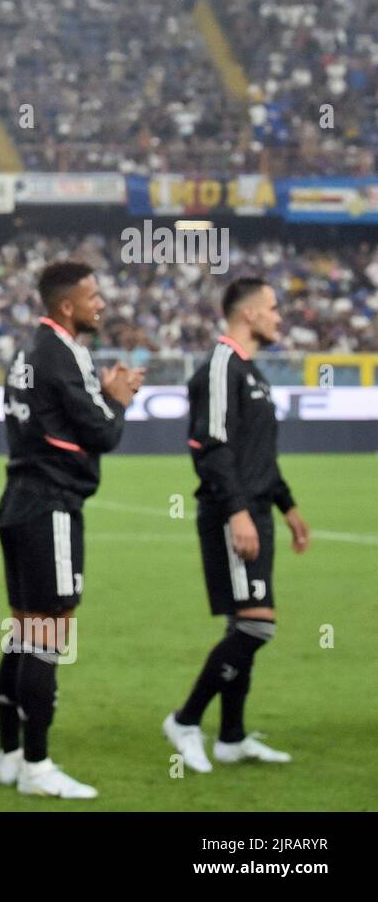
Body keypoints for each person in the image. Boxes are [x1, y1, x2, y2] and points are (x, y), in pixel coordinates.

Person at [0, 260, 143, 799]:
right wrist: (119, 398)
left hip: (19, 500)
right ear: (66, 305)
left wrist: (102, 397)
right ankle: (37, 765)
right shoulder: (63, 351)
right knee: (50, 631)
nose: (100, 304)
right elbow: (101, 432)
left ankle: (9, 755)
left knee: (23, 630)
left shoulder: (29, 350)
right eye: (93, 295)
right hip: (51, 504)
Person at [164, 277, 310, 772]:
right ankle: (185, 720)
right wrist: (238, 511)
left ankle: (231, 736)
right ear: (248, 314)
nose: (278, 316)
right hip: (234, 514)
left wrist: (287, 508)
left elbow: (257, 457)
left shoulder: (252, 372)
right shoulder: (221, 366)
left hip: (258, 510)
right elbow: (212, 446)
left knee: (243, 621)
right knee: (256, 624)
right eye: (273, 307)